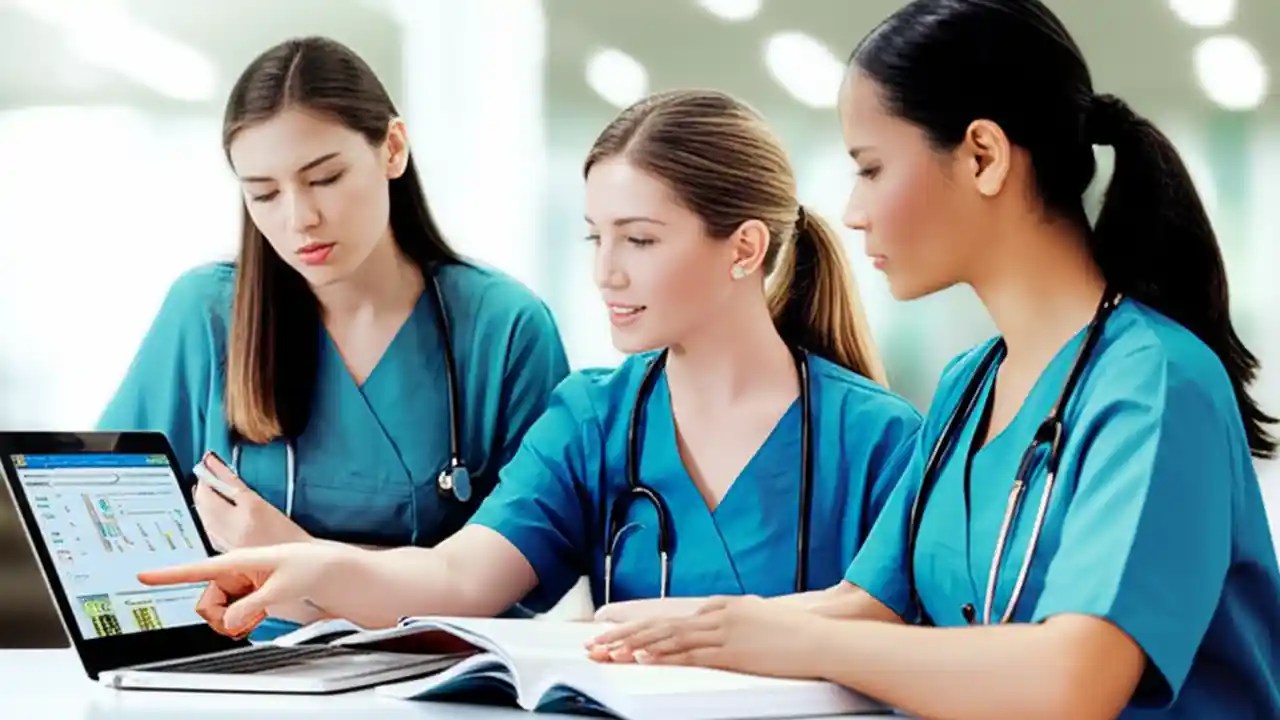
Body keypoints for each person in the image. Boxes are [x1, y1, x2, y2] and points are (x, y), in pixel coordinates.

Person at [584, 2, 1280, 718]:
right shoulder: (970, 384)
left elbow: (1073, 680)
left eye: (872, 168)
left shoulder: (1157, 383)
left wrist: (782, 640)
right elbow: (867, 604)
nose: (853, 211)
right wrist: (688, 632)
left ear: (983, 156)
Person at [134, 89, 922, 636]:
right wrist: (299, 562)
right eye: (595, 236)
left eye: (639, 239)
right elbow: (455, 581)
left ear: (744, 248)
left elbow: (903, 641)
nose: (605, 272)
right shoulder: (592, 420)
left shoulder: (882, 442)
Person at [99, 37, 569, 636]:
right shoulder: (205, 314)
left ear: (392, 149)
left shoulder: (504, 328)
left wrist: (297, 563)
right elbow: (111, 530)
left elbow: (524, 578)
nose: (299, 219)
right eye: (263, 193)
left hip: (437, 680)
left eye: (324, 178)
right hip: (232, 672)